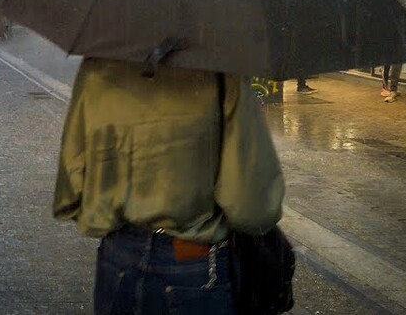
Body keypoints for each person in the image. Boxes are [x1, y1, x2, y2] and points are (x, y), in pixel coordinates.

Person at [54, 58, 285, 314]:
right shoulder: (223, 74)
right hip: (191, 260)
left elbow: (71, 181)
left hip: (119, 253)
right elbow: (251, 206)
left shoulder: (97, 67)